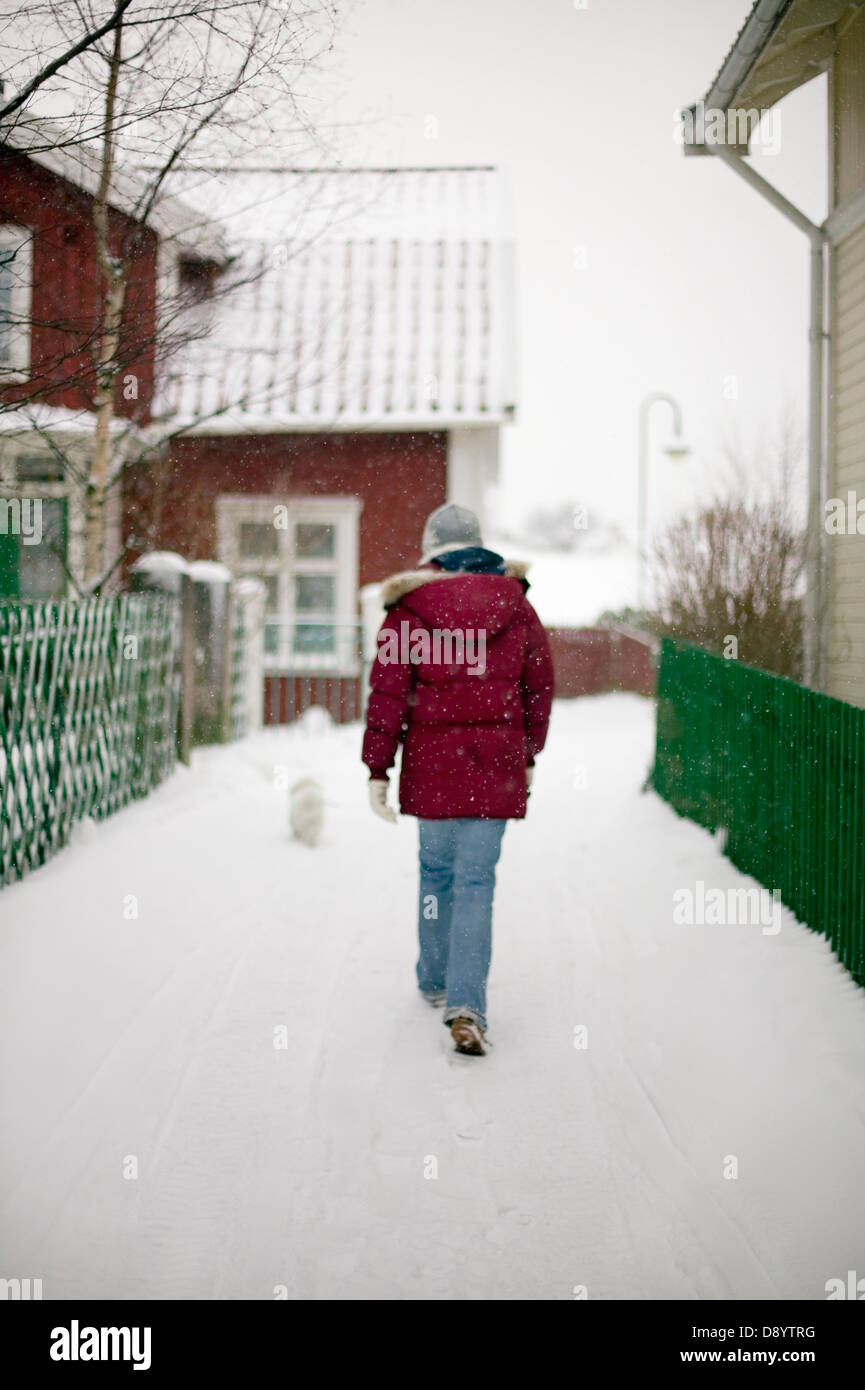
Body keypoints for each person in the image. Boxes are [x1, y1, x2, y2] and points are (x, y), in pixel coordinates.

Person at [361, 502, 554, 1055]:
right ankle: (467, 1005)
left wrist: (378, 767)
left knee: (436, 873)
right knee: (476, 882)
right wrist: (528, 752)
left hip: (433, 767)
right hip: (495, 766)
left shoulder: (409, 610)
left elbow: (389, 694)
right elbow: (538, 687)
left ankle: (433, 976)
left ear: (431, 552)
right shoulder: (517, 608)